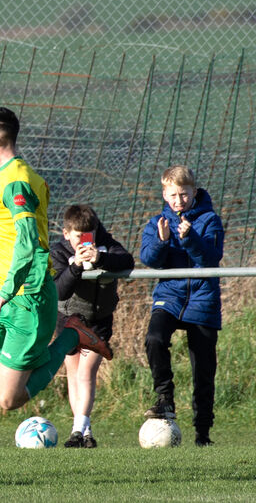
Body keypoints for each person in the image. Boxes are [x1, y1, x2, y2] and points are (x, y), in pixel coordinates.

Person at [0, 107, 110, 483]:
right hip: (3, 294)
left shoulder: (16, 181)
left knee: (8, 399)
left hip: (26, 300)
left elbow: (29, 241)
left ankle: (72, 336)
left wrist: (5, 291)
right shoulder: (12, 178)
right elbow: (0, 214)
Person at [139, 165, 224, 446]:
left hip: (203, 299)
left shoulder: (210, 220)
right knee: (154, 338)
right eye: (173, 195)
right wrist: (164, 241)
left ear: (194, 192)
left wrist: (190, 238)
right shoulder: (157, 223)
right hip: (170, 296)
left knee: (203, 368)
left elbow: (210, 259)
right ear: (164, 194)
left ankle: (203, 432)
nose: (179, 200)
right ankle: (165, 398)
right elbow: (150, 259)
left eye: (184, 194)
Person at [51, 204, 135, 448]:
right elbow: (58, 290)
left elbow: (126, 260)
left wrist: (101, 258)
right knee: (74, 375)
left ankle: (77, 430)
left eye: (89, 234)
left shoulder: (107, 245)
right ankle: (85, 431)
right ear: (67, 234)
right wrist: (75, 266)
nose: (84, 240)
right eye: (78, 235)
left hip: (97, 321)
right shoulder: (57, 252)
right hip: (67, 320)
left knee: (87, 372)